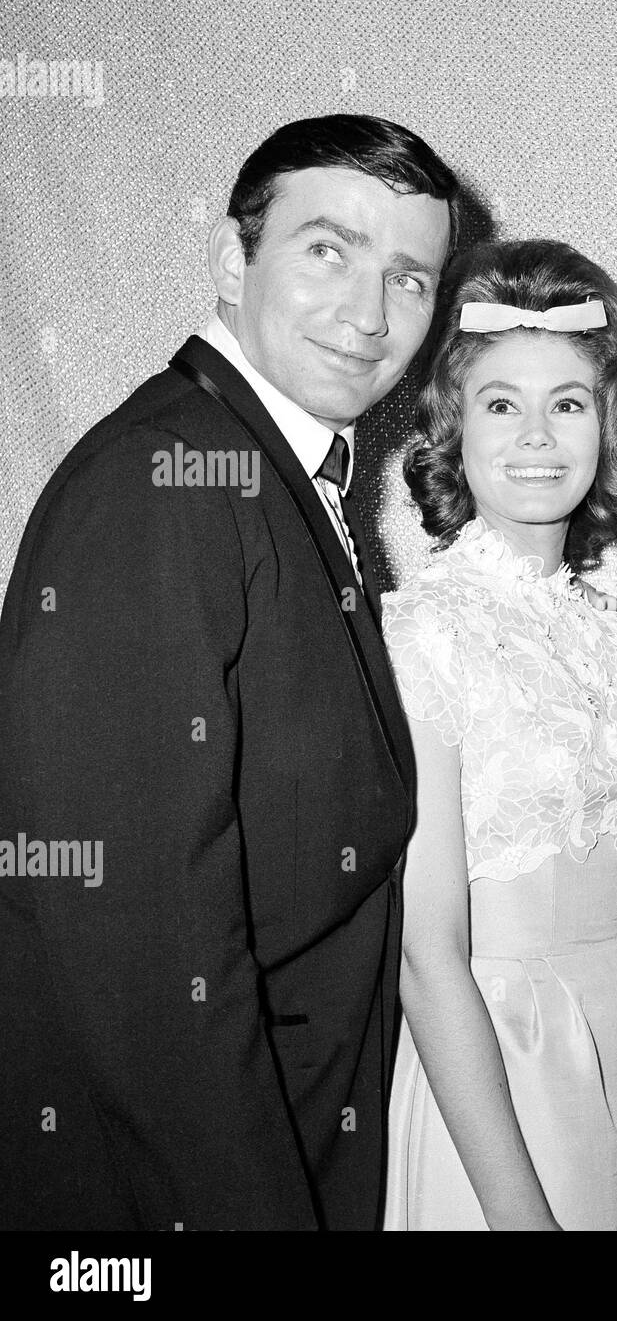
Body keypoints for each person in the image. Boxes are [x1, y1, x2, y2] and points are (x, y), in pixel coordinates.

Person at [0, 114, 458, 1230]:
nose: (369, 312)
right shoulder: (165, 480)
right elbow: (136, 936)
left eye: (409, 276)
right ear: (229, 259)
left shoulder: (271, 470)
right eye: (327, 252)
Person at [382, 238, 617, 1231]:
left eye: (569, 403)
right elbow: (427, 955)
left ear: (609, 426)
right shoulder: (420, 632)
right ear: (452, 429)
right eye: (501, 403)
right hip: (499, 1072)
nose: (537, 436)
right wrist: (517, 1217)